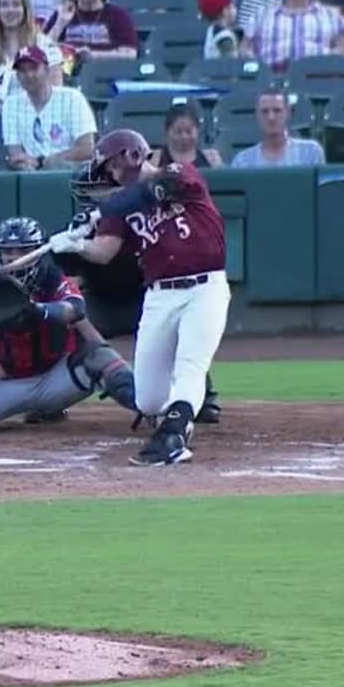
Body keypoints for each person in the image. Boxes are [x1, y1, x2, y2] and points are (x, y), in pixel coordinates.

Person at [49, 128, 231, 464]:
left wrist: (101, 211)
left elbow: (151, 191)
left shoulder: (179, 173)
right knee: (148, 399)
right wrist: (76, 244)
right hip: (160, 297)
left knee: (191, 364)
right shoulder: (119, 210)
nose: (111, 174)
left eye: (112, 165)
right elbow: (104, 251)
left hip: (205, 288)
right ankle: (179, 408)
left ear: (130, 154)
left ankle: (175, 432)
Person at [0, 216, 135, 434]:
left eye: (23, 251)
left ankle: (148, 409)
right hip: (10, 378)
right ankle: (30, 409)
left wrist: (36, 310)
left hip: (60, 375)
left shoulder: (53, 280)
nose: (15, 258)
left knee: (99, 357)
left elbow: (75, 308)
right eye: (8, 252)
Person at [0, 45, 95, 170]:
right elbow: (14, 152)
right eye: (22, 71)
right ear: (17, 76)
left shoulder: (72, 98)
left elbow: (87, 148)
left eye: (34, 68)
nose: (28, 75)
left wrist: (48, 161)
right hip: (32, 171)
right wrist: (23, 163)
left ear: (46, 70)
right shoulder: (11, 104)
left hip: (70, 170)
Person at [44, 0, 138, 62]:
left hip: (107, 70)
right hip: (68, 69)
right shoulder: (62, 13)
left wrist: (93, 56)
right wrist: (61, 22)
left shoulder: (118, 15)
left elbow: (130, 54)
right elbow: (43, 51)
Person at [230, 89, 325, 167]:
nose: (271, 117)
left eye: (277, 110)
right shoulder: (243, 161)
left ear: (288, 113)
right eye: (264, 111)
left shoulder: (310, 152)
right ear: (257, 115)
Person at [149, 104, 222, 168]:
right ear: (167, 131)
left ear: (198, 130)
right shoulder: (155, 159)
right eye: (178, 132)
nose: (184, 136)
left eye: (189, 131)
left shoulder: (211, 159)